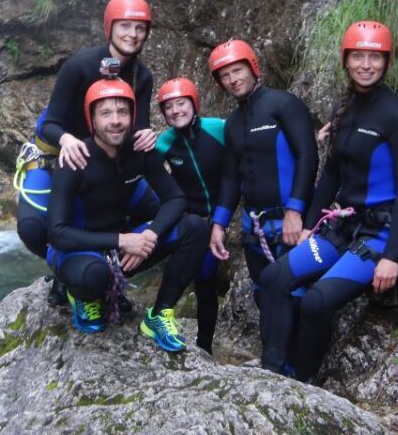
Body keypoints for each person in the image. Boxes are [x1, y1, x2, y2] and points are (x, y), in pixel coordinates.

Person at [258, 21, 398, 383]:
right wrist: (304, 224)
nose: (366, 65)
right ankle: (271, 372)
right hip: (342, 224)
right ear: (346, 61)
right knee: (273, 278)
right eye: (358, 56)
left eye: (375, 57)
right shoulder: (344, 107)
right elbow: (331, 174)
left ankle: (303, 384)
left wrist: (392, 257)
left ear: (386, 63)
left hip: (380, 232)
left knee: (316, 301)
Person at [47, 78, 209, 353]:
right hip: (79, 250)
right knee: (95, 276)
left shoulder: (139, 152)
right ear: (92, 119)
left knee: (195, 227)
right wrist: (122, 241)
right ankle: (78, 295)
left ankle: (158, 315)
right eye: (106, 113)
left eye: (122, 112)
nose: (116, 121)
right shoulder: (74, 159)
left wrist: (149, 234)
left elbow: (176, 199)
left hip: (122, 246)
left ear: (132, 116)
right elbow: (57, 233)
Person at [15, 0, 157, 305]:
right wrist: (66, 139)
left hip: (103, 158)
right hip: (57, 153)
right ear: (110, 28)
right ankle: (63, 271)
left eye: (140, 28)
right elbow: (51, 122)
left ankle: (107, 270)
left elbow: (139, 126)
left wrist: (147, 137)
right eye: (125, 26)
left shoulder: (141, 76)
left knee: (155, 208)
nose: (132, 34)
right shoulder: (79, 65)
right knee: (32, 226)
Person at [208, 39, 318, 303]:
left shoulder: (284, 105)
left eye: (237, 70)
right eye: (225, 75)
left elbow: (308, 156)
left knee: (296, 297)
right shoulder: (233, 123)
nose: (232, 79)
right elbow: (232, 178)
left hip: (290, 222)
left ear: (252, 67)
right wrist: (219, 224)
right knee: (264, 297)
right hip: (254, 228)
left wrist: (295, 211)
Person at [154, 78, 225, 354]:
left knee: (207, 282)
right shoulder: (164, 143)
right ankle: (167, 319)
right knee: (201, 279)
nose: (175, 111)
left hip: (221, 218)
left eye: (181, 103)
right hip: (190, 224)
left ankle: (205, 346)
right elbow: (144, 173)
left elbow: (252, 142)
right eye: (168, 107)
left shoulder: (217, 128)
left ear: (194, 104)